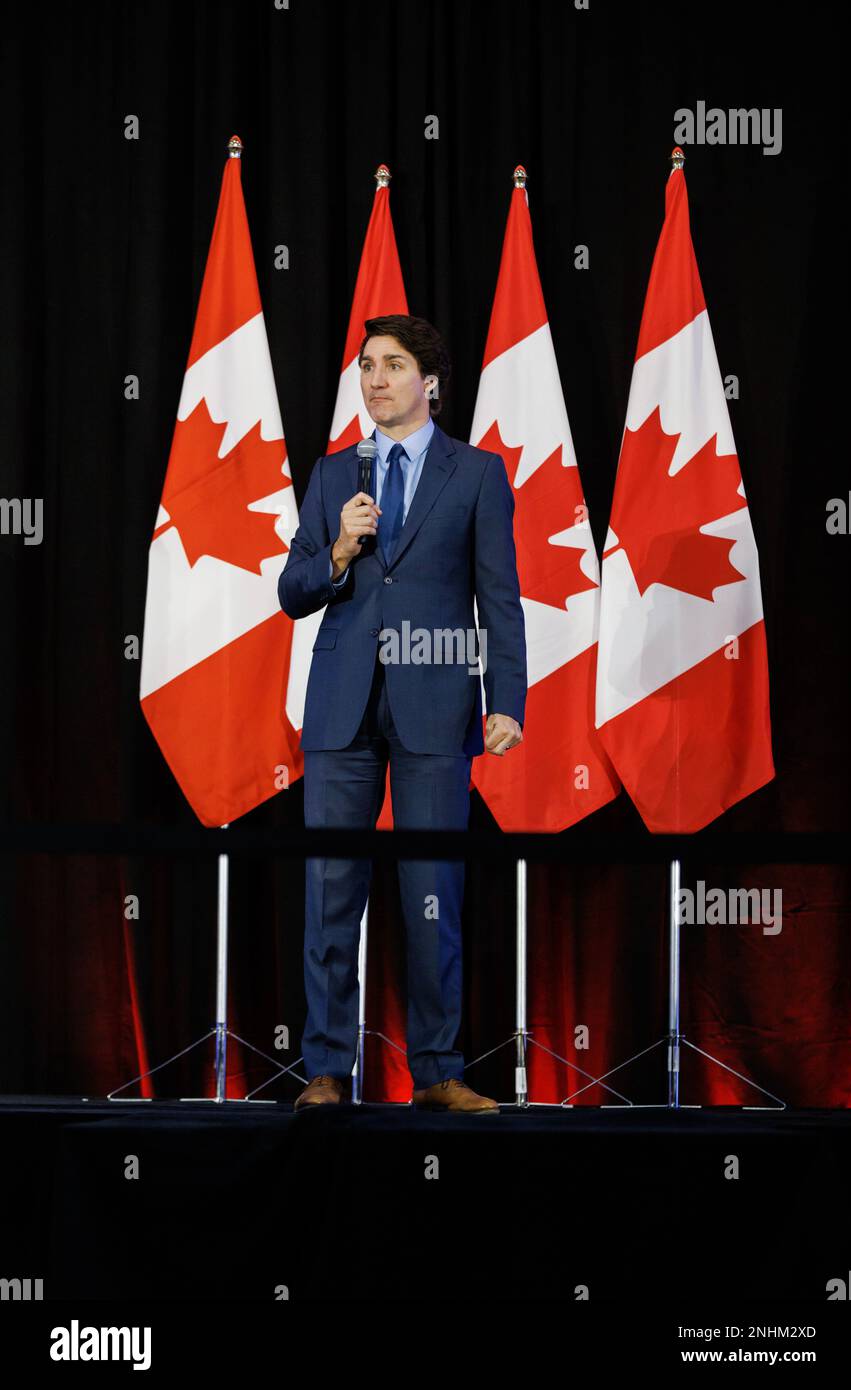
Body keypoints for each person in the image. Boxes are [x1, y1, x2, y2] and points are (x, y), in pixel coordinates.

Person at [278, 314, 527, 1113]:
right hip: (341, 711)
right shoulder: (329, 476)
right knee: (329, 894)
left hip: (438, 704)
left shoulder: (479, 474)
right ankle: (325, 1070)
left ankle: (438, 1072)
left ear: (430, 382)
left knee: (433, 896)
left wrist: (506, 701)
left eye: (391, 365)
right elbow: (292, 593)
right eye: (366, 366)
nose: (375, 379)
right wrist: (340, 551)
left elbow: (501, 598)